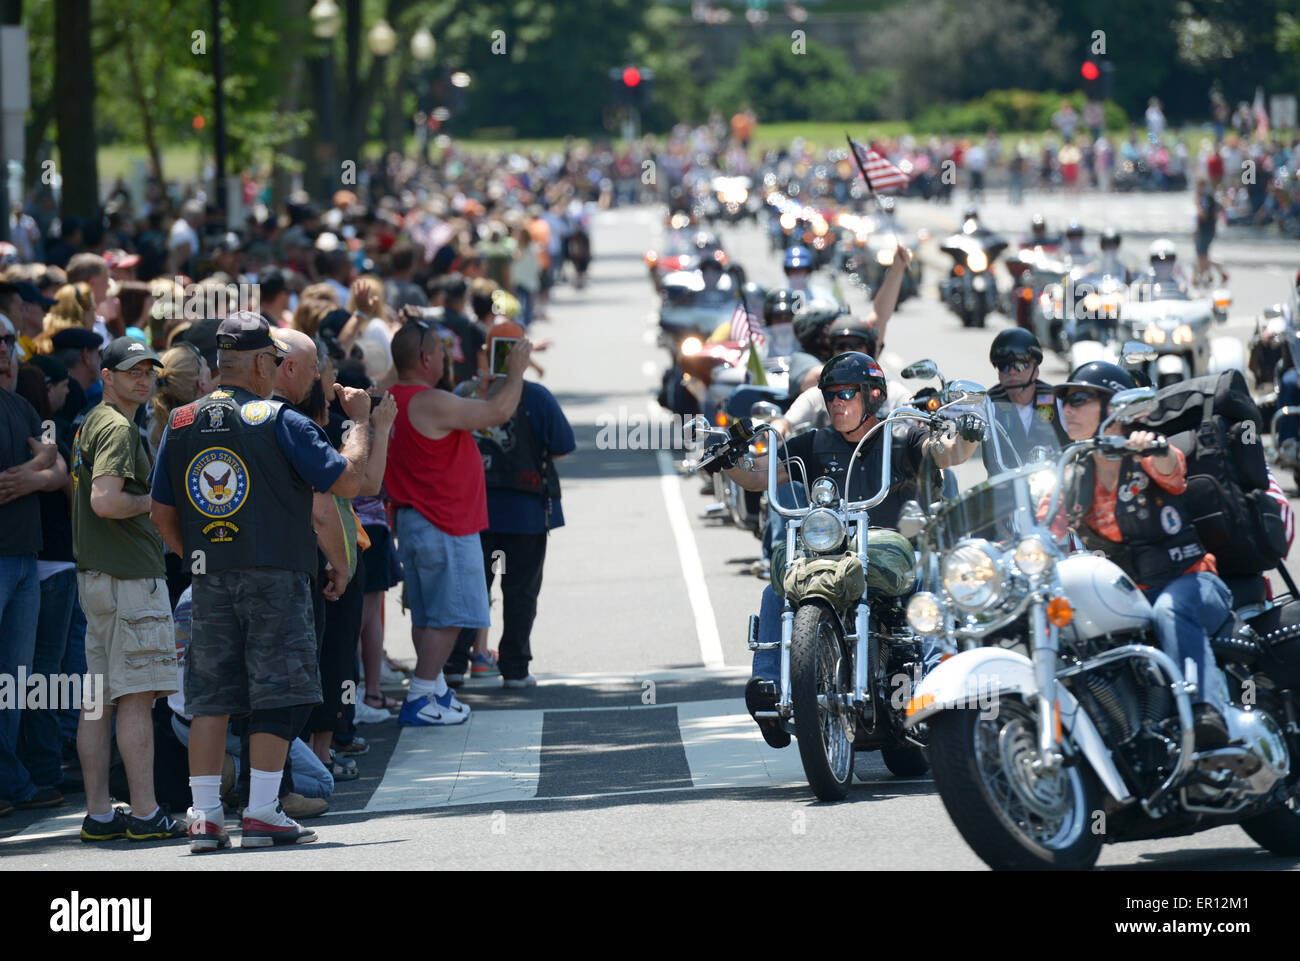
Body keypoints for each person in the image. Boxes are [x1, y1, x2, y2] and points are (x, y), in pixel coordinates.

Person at [149, 311, 373, 852]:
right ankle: (263, 811)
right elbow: (348, 479)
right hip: (276, 576)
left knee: (210, 697)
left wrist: (198, 555)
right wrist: (363, 423)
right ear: (257, 362)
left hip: (210, 577)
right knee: (277, 693)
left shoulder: (180, 421)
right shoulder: (282, 420)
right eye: (272, 360)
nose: (276, 370)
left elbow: (160, 513)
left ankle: (204, 817)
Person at [710, 352, 982, 746]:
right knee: (776, 588)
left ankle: (938, 674)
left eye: (845, 394)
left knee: (931, 573)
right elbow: (759, 477)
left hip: (898, 550)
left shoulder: (902, 434)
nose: (836, 403)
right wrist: (725, 460)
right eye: (830, 395)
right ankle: (768, 687)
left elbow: (947, 453)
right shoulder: (815, 443)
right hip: (834, 553)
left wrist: (967, 434)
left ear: (872, 395)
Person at [1053, 362, 1233, 748]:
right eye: (1063, 400)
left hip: (1190, 582)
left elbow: (1174, 471)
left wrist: (1156, 446)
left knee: (1169, 609)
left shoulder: (1147, 452)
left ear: (1114, 409)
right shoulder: (1073, 472)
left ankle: (1205, 713)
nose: (1067, 409)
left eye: (1079, 399)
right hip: (1127, 597)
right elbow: (1042, 530)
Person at [383, 319, 532, 723]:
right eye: (441, 351)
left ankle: (435, 690)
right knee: (450, 617)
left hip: (416, 522)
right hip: (444, 522)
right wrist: (516, 371)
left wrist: (482, 391)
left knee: (428, 615)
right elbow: (499, 412)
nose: (446, 358)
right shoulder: (429, 400)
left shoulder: (390, 396)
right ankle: (419, 697)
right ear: (426, 358)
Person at [70, 336, 184, 841]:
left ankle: (99, 814)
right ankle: (144, 813)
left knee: (98, 700)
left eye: (149, 371)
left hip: (99, 579)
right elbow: (106, 502)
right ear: (107, 375)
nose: (144, 378)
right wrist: (158, 501)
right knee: (136, 697)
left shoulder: (96, 422)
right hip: (127, 581)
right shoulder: (117, 426)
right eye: (132, 370)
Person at [444, 363, 576, 688]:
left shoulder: (465, 394)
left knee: (470, 589)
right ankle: (515, 668)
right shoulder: (537, 396)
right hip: (525, 512)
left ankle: (453, 662)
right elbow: (562, 446)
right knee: (521, 592)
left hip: (474, 511)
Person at [0, 338, 69, 816]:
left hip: (26, 558)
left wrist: (34, 476)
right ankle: (13, 781)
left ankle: (9, 780)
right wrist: (38, 467)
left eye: (7, 342)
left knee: (16, 680)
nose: (5, 350)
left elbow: (59, 465)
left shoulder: (21, 405)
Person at [985, 328, 1067, 469]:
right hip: (1005, 486)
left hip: (1056, 485)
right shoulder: (987, 404)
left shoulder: (1059, 401)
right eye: (1004, 366)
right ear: (998, 373)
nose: (1011, 372)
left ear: (1036, 370)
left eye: (1020, 365)